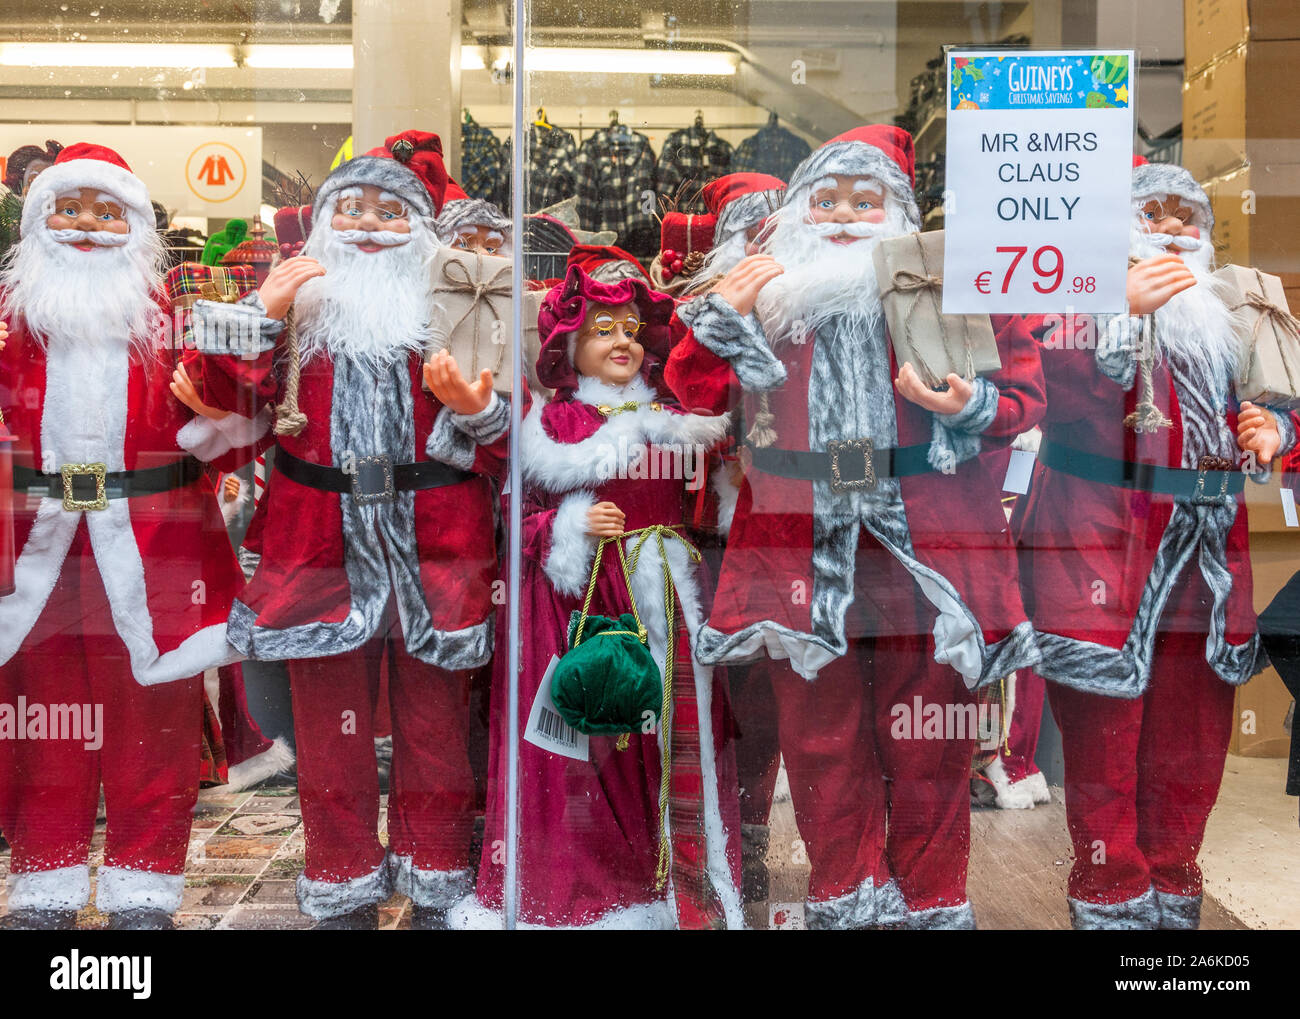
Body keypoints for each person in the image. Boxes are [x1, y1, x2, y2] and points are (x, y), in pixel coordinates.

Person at [664, 125, 1045, 928]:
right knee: (818, 737)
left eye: (864, 200)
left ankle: (932, 899)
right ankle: (844, 892)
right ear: (800, 211)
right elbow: (692, 397)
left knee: (929, 737)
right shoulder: (766, 291)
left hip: (925, 544)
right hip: (797, 541)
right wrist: (718, 318)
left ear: (897, 212)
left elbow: (1022, 395)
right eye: (826, 199)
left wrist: (967, 404)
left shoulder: (953, 289)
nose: (842, 215)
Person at [189, 130, 509, 929]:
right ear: (325, 225)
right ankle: (342, 879)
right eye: (353, 209)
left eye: (391, 212)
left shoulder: (459, 309)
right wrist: (257, 316)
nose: (369, 225)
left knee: (436, 730)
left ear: (422, 230)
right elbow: (213, 404)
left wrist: (481, 411)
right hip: (317, 551)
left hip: (436, 551)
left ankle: (436, 873)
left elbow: (513, 439)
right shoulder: (295, 315)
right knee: (332, 737)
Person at [1014, 155, 1295, 929]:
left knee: (1193, 741)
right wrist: (1118, 313)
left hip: (1209, 564)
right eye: (1152, 214)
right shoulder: (1069, 299)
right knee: (1106, 742)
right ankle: (1110, 896)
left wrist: (1279, 428)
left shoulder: (1230, 310)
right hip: (1103, 555)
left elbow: (1285, 402)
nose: (1171, 229)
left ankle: (1174, 892)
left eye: (1186, 217)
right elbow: (1044, 391)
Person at [0, 142, 255, 929]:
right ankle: (44, 875)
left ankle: (144, 881)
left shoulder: (173, 324)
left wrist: (216, 417)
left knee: (154, 715)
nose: (85, 226)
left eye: (105, 211)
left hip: (151, 542)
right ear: (39, 221)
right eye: (68, 209)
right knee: (44, 712)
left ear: (134, 224)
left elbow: (238, 429)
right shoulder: (13, 323)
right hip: (36, 542)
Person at [461, 261, 743, 928]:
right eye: (603, 329)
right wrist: (568, 523)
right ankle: (585, 891)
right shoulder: (551, 422)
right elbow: (517, 512)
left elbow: (712, 496)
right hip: (578, 602)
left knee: (662, 743)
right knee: (586, 748)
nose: (623, 341)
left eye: (631, 329)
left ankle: (667, 882)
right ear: (568, 344)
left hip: (665, 595)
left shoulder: (675, 420)